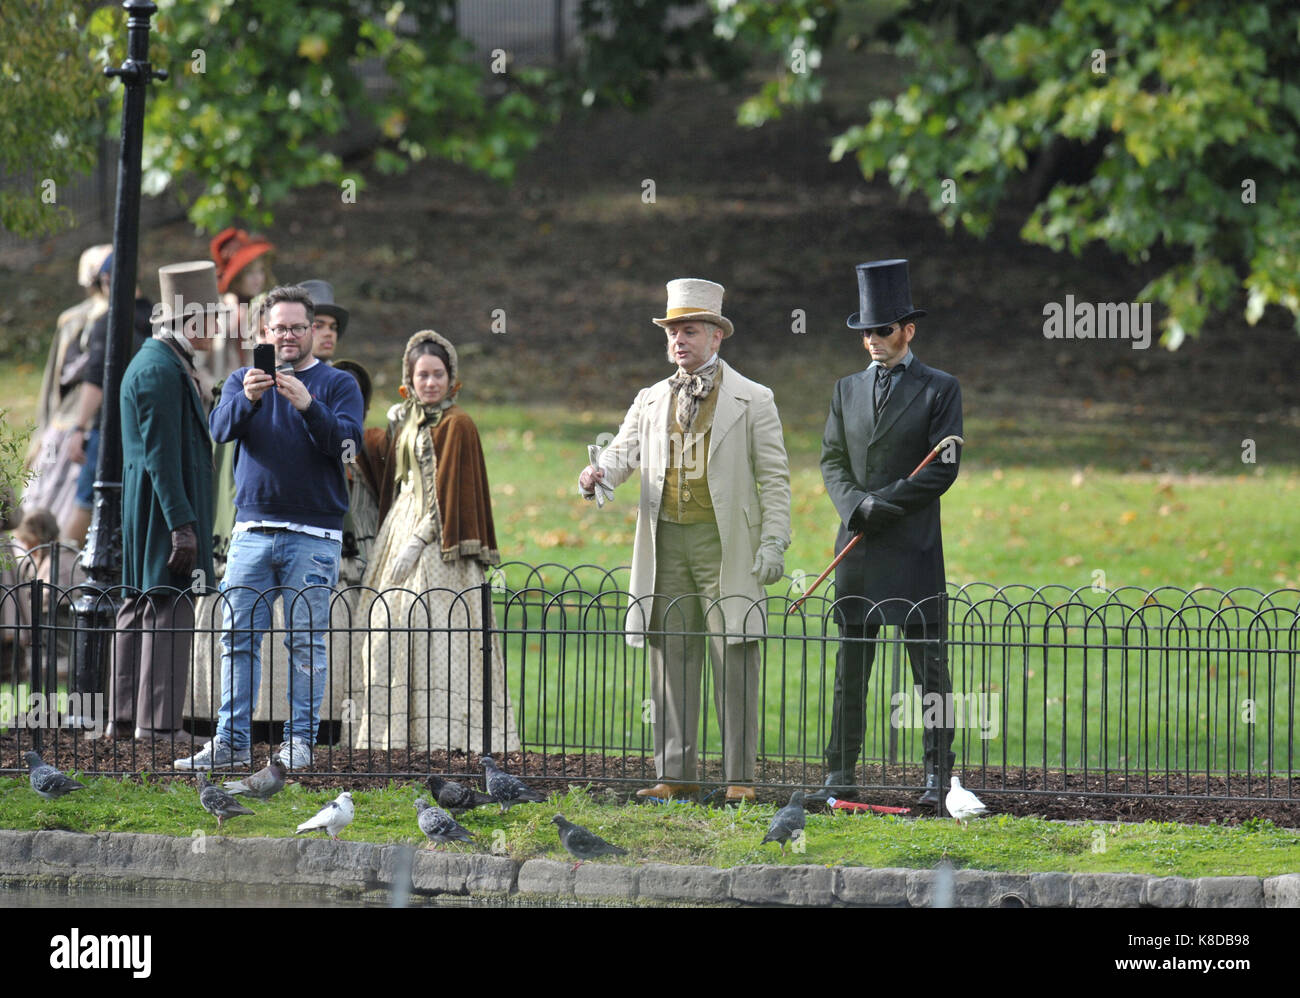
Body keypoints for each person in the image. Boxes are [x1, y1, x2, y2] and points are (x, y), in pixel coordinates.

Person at [577, 279, 791, 804]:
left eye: (689, 330)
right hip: (666, 540)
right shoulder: (651, 399)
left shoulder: (753, 398)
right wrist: (596, 473)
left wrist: (773, 543)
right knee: (670, 653)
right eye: (672, 331)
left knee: (733, 654)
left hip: (725, 545)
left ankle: (740, 779)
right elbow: (622, 454)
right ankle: (676, 776)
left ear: (716, 336)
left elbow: (775, 478)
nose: (678, 340)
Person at [175, 284, 363, 771]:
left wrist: (308, 405)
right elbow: (219, 430)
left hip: (314, 535)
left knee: (305, 641)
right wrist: (249, 401)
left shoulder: (337, 384)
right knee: (237, 637)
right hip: (251, 530)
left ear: (312, 330)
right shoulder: (242, 380)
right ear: (263, 331)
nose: (288, 336)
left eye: (299, 327)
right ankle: (231, 740)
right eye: (279, 327)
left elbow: (347, 445)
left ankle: (299, 743)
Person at [809, 259, 962, 807]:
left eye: (883, 330)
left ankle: (937, 779)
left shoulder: (941, 389)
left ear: (908, 330)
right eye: (865, 332)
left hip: (913, 549)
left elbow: (943, 467)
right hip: (857, 548)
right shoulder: (844, 390)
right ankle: (839, 775)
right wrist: (857, 506)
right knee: (851, 669)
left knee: (930, 671)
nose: (873, 341)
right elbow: (831, 461)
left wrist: (884, 504)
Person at [351, 330, 519, 754]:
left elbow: (452, 492)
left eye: (438, 375)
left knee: (437, 632)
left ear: (451, 379)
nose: (430, 383)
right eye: (422, 375)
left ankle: (445, 738)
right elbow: (386, 459)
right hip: (399, 525)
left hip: (438, 542)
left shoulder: (458, 424)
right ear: (409, 379)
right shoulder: (407, 418)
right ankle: (390, 738)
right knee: (386, 625)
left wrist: (419, 540)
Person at [111, 261, 221, 744]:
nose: (218, 327)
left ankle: (123, 720)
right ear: (191, 321)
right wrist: (183, 525)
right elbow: (160, 457)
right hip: (164, 510)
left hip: (153, 506)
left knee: (139, 605)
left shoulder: (161, 362)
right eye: (212, 317)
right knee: (167, 606)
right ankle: (157, 727)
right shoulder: (159, 370)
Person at [24, 244, 111, 537]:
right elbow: (55, 380)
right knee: (50, 511)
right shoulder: (75, 320)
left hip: (96, 426)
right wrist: (43, 430)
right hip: (72, 426)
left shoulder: (127, 316)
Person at [299, 279, 347, 363]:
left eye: (333, 328)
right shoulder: (274, 374)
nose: (328, 334)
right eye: (318, 326)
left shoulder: (344, 375)